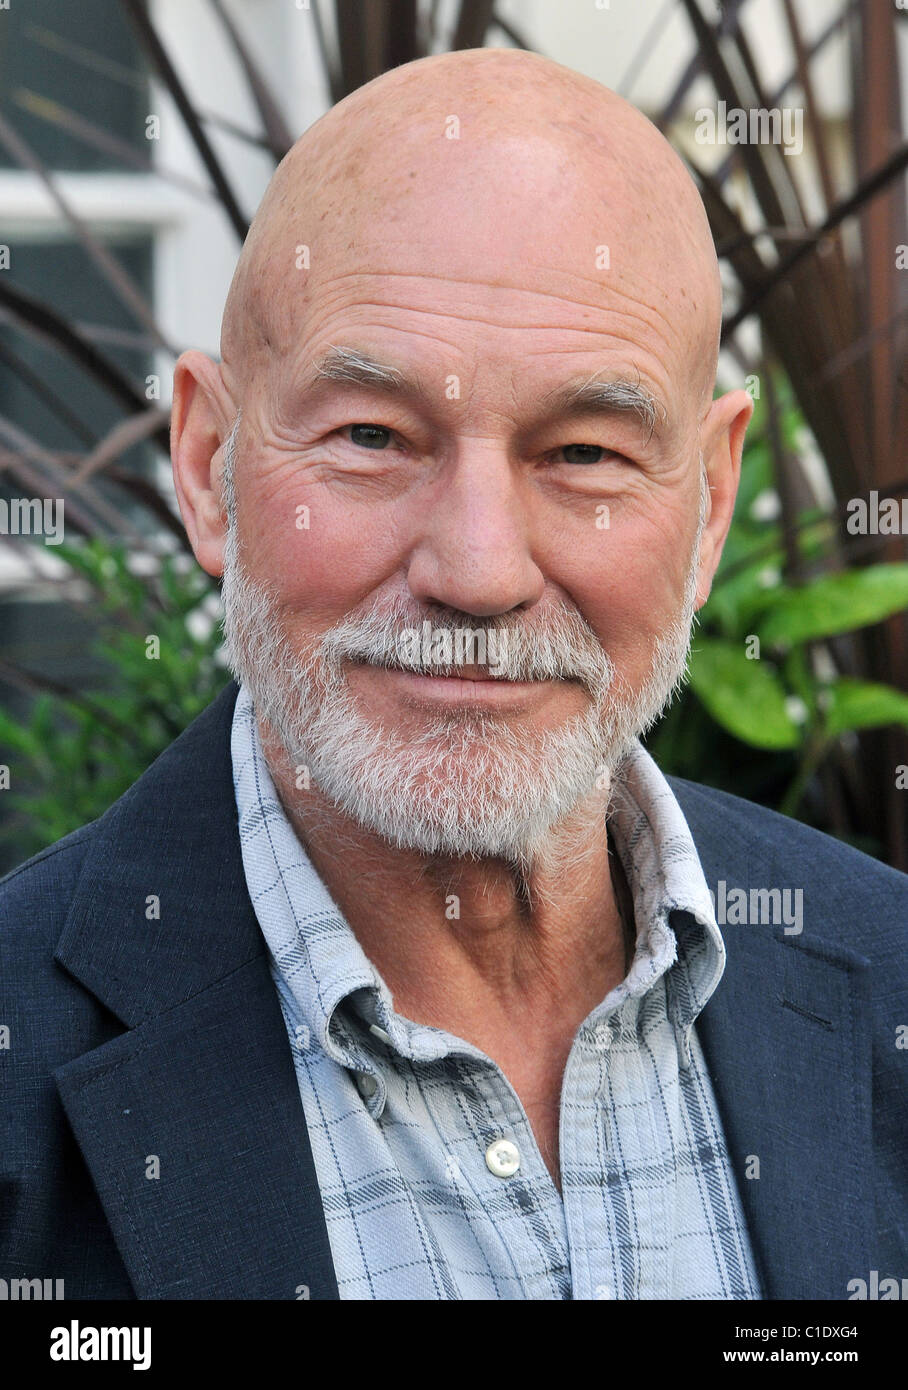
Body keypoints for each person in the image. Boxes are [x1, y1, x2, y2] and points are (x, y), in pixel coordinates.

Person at [1, 48, 905, 1301]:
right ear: (211, 467)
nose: (478, 571)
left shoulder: (885, 974)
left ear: (705, 510)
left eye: (583, 451)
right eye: (372, 436)